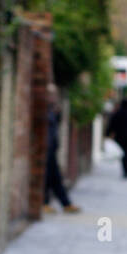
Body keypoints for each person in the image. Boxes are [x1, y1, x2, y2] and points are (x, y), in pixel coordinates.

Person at [43, 84, 81, 213]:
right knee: (48, 177)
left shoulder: (51, 110)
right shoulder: (43, 109)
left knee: (55, 177)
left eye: (55, 94)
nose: (54, 97)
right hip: (45, 149)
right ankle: (47, 202)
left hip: (51, 148)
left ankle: (65, 203)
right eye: (52, 94)